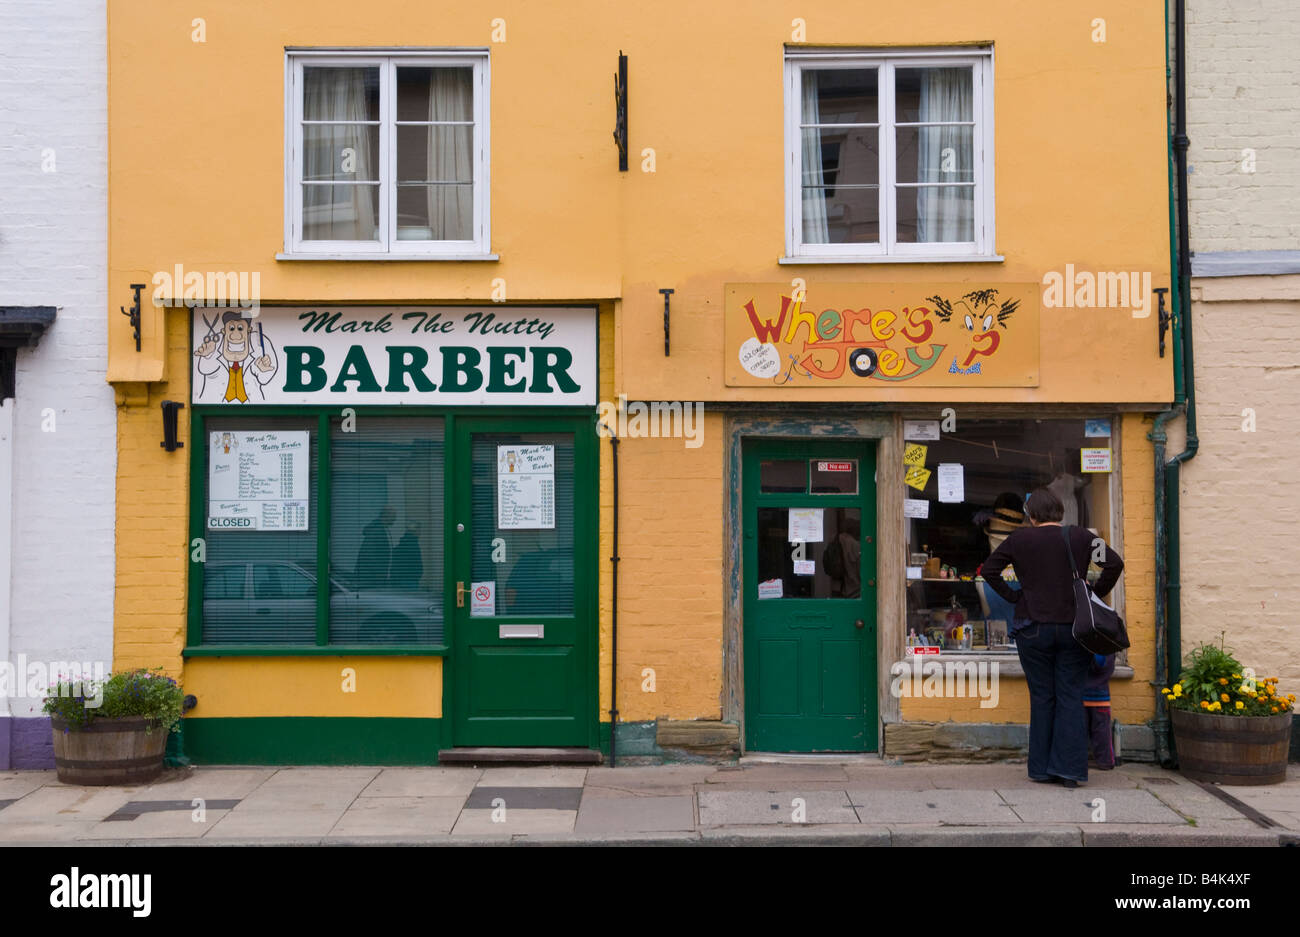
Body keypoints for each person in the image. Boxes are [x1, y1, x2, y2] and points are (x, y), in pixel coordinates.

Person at [980, 487, 1124, 787]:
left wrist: (1015, 596)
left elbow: (989, 570)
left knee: (1042, 696)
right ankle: (1070, 771)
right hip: (1075, 628)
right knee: (1070, 696)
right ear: (1060, 512)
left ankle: (1041, 769)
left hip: (1031, 628)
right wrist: (1092, 595)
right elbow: (1114, 564)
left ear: (1030, 516)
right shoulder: (1081, 537)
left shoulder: (1018, 539)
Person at [1085, 653, 1117, 769]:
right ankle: (1105, 761)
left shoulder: (1082, 644)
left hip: (1081, 695)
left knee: (1079, 733)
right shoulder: (1106, 648)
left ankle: (1079, 761)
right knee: (1102, 732)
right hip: (1101, 696)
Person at [356, 506, 397, 588]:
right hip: (371, 580)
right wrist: (380, 573)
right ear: (386, 516)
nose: (395, 519)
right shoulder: (376, 531)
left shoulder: (383, 530)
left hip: (376, 578)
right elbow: (368, 555)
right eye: (393, 516)